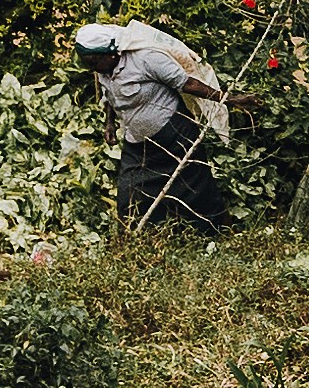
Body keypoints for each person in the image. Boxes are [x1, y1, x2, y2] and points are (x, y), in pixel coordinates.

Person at [76, 19, 228, 234]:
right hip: (138, 145)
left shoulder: (146, 59)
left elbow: (187, 83)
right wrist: (109, 123)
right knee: (129, 191)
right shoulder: (103, 69)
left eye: (93, 62)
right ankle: (137, 238)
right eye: (87, 63)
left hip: (175, 137)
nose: (91, 68)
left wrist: (227, 99)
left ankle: (214, 232)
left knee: (196, 188)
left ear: (110, 53)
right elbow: (109, 97)